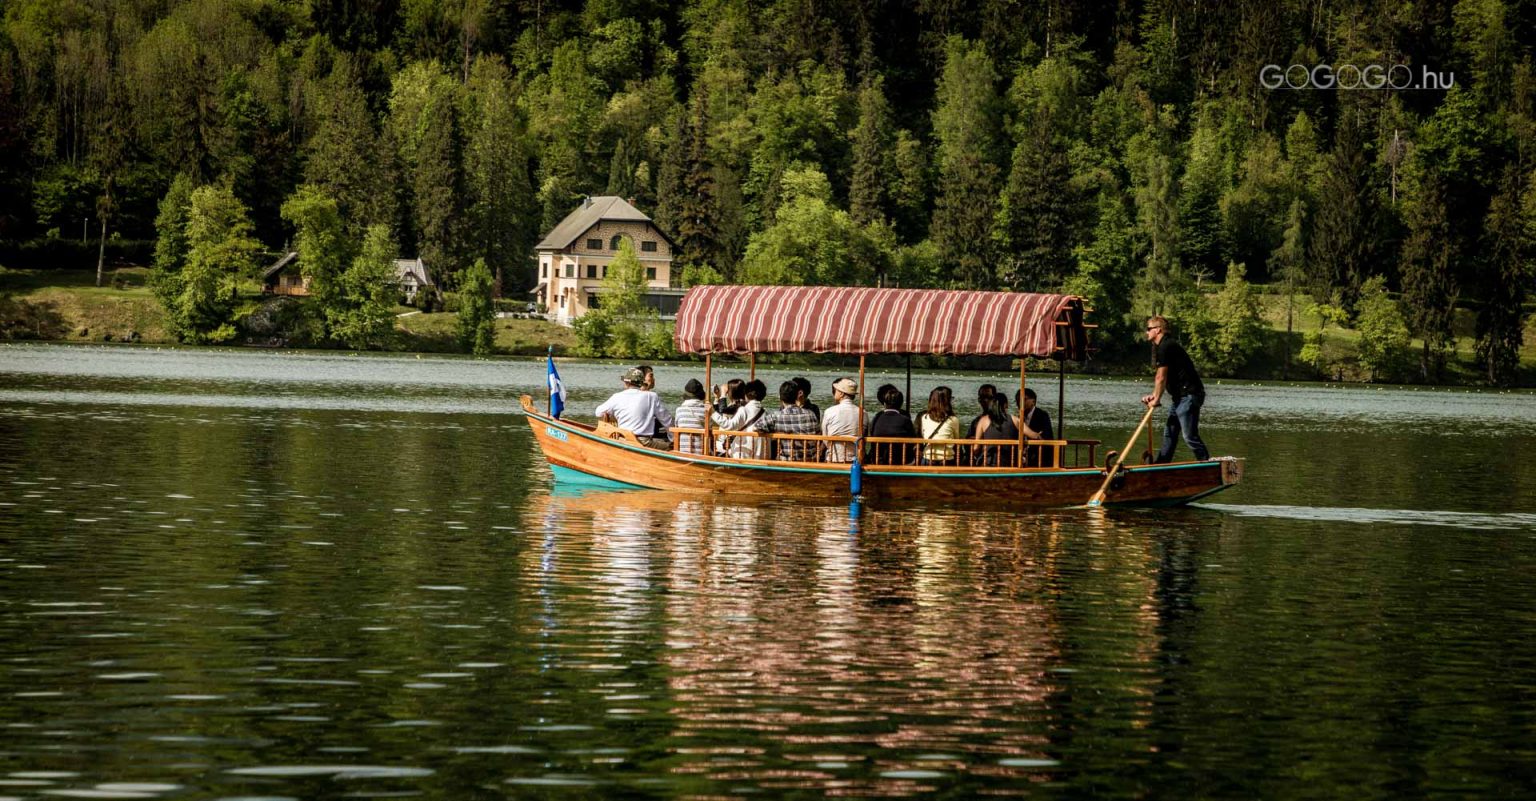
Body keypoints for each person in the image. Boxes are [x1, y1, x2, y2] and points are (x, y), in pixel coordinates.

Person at [1140, 315, 1210, 462]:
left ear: (1158, 330)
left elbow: (1161, 377)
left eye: (1149, 329)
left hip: (1190, 395)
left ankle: (1206, 464)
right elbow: (1162, 378)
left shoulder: (1166, 346)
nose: (1146, 332)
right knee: (1169, 433)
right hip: (1179, 397)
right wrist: (1154, 396)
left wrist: (1157, 399)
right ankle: (1160, 466)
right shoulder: (1162, 346)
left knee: (1189, 436)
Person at [595, 367, 674, 449]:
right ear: (641, 383)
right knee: (671, 448)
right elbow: (667, 420)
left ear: (626, 383)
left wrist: (615, 416)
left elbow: (598, 412)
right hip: (643, 442)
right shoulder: (652, 396)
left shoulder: (617, 396)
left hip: (623, 440)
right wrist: (673, 439)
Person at [760, 380, 820, 461]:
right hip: (809, 460)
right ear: (797, 396)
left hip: (787, 460)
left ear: (781, 397)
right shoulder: (811, 414)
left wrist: (776, 432)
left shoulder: (776, 415)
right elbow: (818, 431)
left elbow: (757, 426)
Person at [712, 378, 768, 459]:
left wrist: (722, 396)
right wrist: (717, 398)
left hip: (744, 450)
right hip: (759, 452)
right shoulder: (764, 411)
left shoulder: (742, 407)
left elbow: (727, 421)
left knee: (713, 444)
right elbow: (722, 412)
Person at [865, 384, 916, 465]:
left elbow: (871, 433)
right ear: (901, 403)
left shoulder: (877, 418)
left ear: (884, 403)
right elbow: (913, 438)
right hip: (901, 460)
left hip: (878, 459)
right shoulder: (905, 419)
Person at [917, 386, 962, 465]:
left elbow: (924, 435)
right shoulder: (953, 420)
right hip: (947, 458)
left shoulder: (924, 418)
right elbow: (957, 440)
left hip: (928, 457)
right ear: (947, 401)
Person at [821, 377, 861, 462]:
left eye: (835, 390)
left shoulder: (829, 411)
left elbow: (825, 438)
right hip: (855, 459)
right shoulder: (863, 413)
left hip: (834, 458)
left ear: (841, 393)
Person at [973, 395, 1019, 466]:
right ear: (1006, 405)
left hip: (988, 463)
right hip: (1010, 463)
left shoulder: (983, 420)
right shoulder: (1015, 419)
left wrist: (976, 456)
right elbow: (1034, 435)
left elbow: (976, 448)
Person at [1015, 387, 1056, 467]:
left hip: (1040, 457)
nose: (1019, 402)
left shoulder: (1042, 415)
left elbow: (1045, 436)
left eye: (1024, 399)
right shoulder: (1018, 417)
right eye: (1017, 400)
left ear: (1033, 401)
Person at [634, 364, 669, 447]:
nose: (654, 379)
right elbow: (665, 419)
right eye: (651, 376)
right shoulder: (651, 396)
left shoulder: (632, 394)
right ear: (642, 378)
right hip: (642, 438)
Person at [673, 379, 710, 455]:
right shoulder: (705, 411)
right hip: (701, 452)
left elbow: (676, 425)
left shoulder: (679, 410)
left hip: (682, 451)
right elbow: (709, 426)